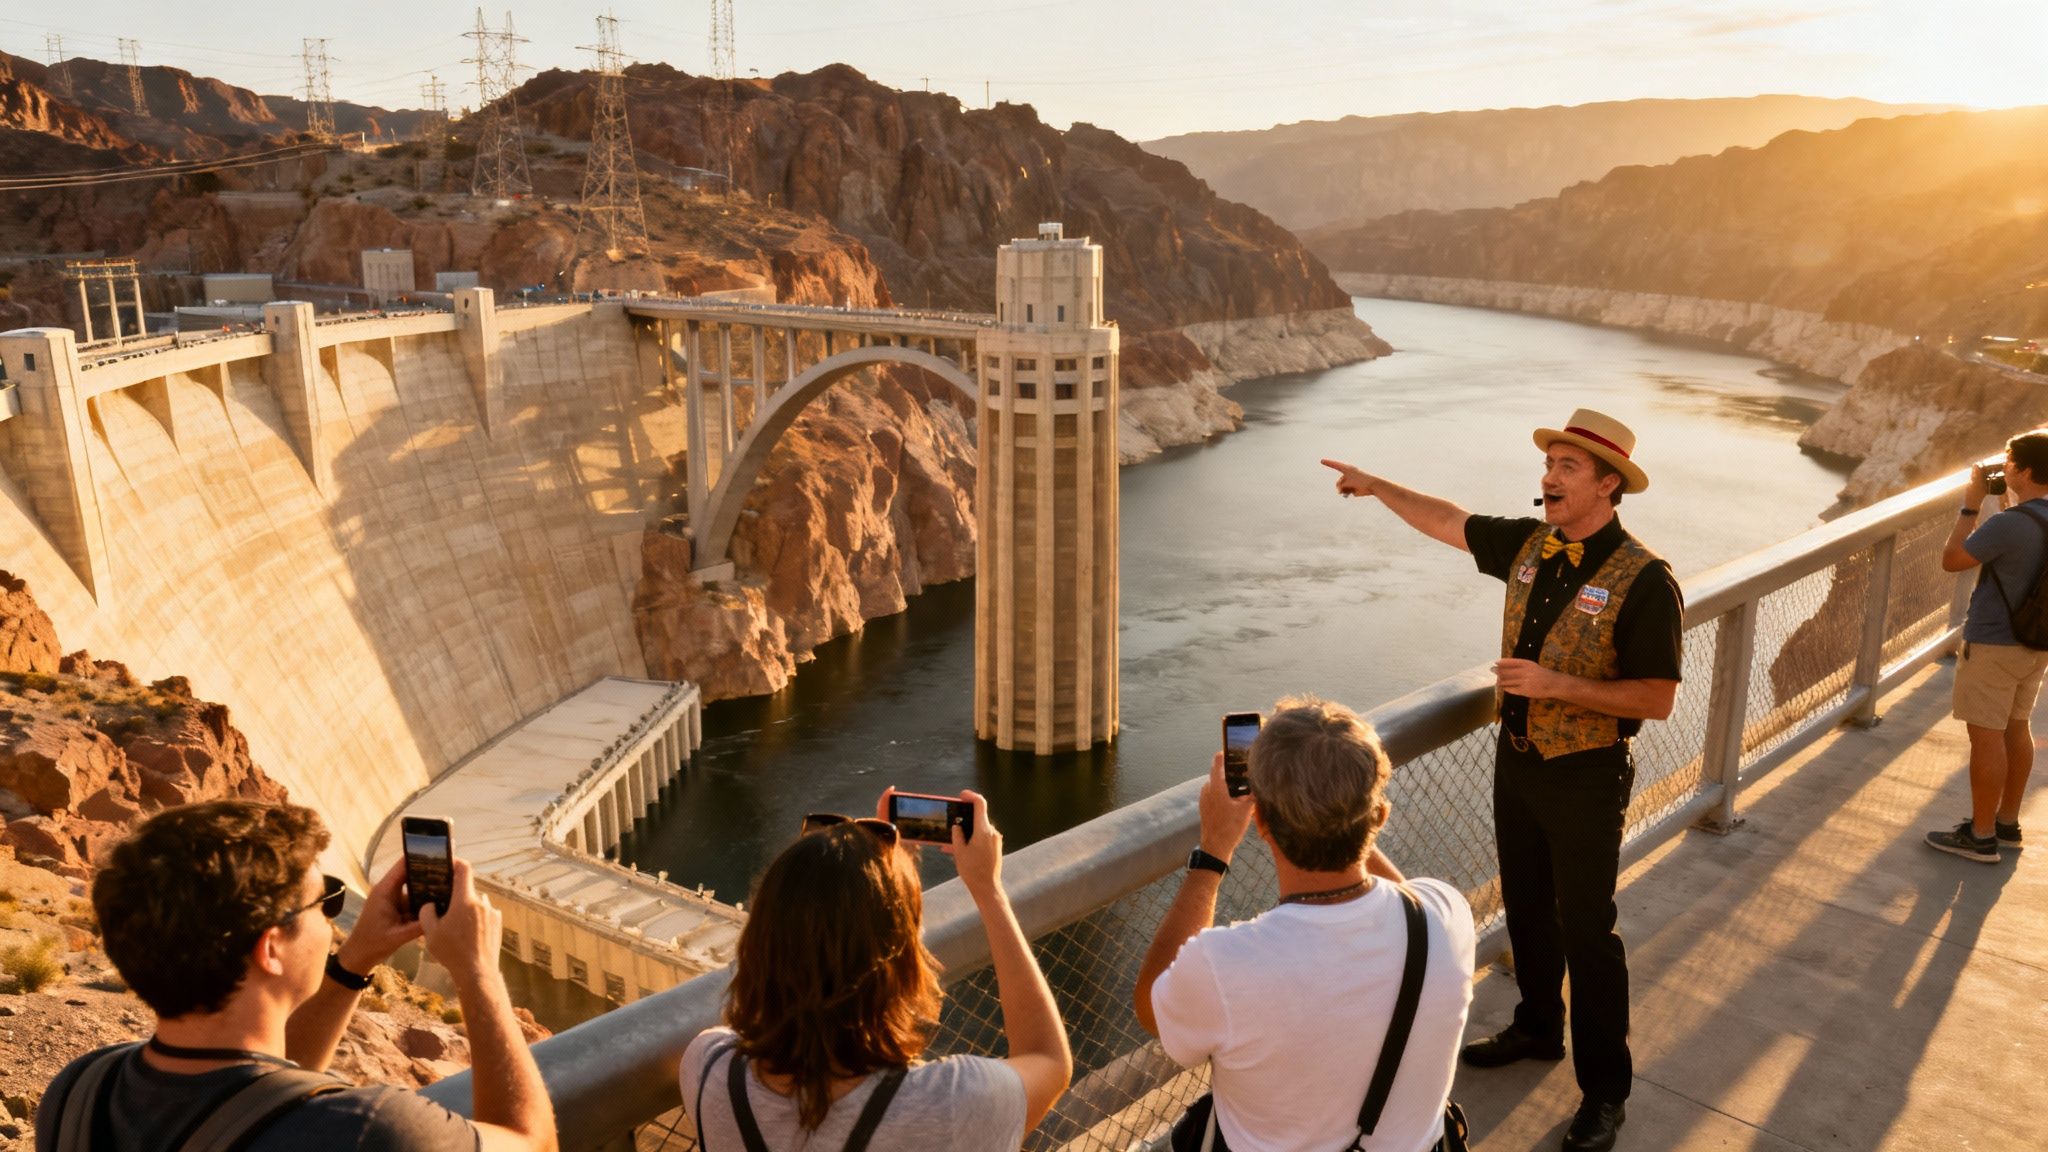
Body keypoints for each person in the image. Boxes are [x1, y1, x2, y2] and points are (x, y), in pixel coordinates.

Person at [1320, 407, 1683, 1152]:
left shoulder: (1647, 580)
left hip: (1586, 775)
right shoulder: (1529, 544)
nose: (1549, 476)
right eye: (1550, 463)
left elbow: (1657, 696)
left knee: (1589, 932)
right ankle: (1538, 1028)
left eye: (1568, 468)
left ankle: (1605, 1093)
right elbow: (1447, 520)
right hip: (1517, 762)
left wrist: (1556, 683)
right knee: (1526, 907)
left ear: (1609, 484)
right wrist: (1376, 484)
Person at [38, 799, 556, 1152]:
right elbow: (530, 1142)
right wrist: (478, 971)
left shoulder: (80, 1090)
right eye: (324, 901)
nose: (332, 916)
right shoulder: (365, 1130)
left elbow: (264, 1095)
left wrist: (354, 961)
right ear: (270, 947)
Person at [1134, 697, 1476, 1152]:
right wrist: (1345, 817)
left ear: (1259, 822)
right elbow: (1404, 897)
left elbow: (1151, 1007)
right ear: (1380, 817)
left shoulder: (1226, 967)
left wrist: (1212, 852)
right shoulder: (1445, 915)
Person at [678, 789, 1071, 1151]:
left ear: (760, 944)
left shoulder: (710, 1075)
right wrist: (988, 889)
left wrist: (821, 882)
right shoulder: (950, 1105)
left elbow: (760, 1021)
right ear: (902, 963)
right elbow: (1047, 1059)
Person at [1925, 430, 2048, 862]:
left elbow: (1953, 558)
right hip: (2037, 644)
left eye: (2011, 462)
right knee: (2018, 728)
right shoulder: (2030, 519)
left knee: (1986, 738)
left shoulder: (2008, 524)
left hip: (1995, 642)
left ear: (2028, 470)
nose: (2006, 467)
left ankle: (1979, 837)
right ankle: (2006, 823)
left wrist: (1971, 504)